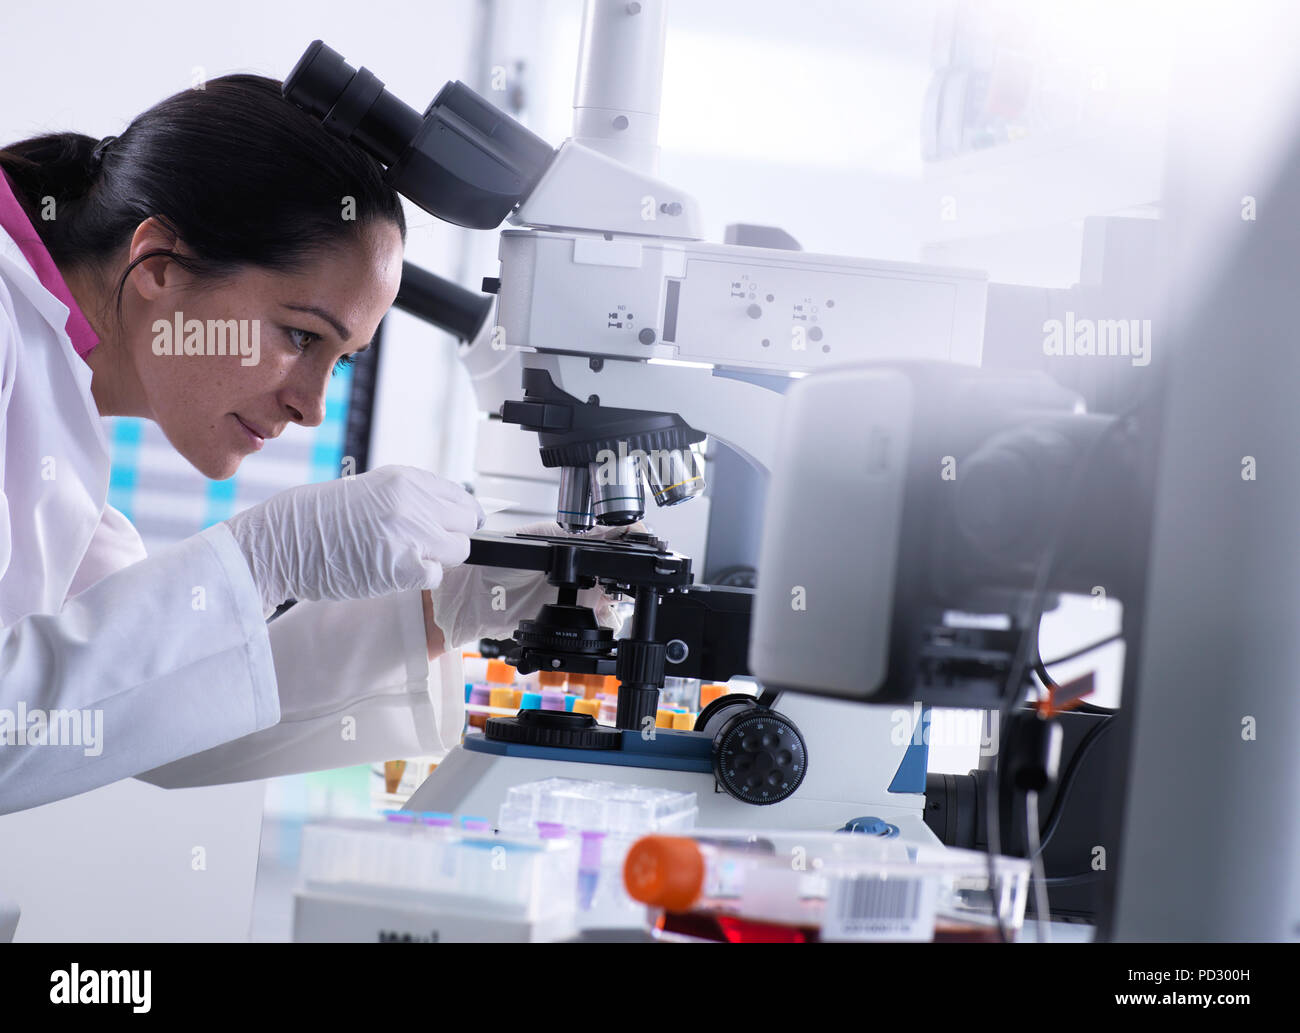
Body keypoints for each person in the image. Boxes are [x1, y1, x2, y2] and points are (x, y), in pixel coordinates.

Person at [0, 74, 623, 815]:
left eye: (342, 358)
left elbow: (133, 714)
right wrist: (264, 560)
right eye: (301, 335)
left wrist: (440, 608)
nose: (312, 407)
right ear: (160, 266)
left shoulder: (60, 424)